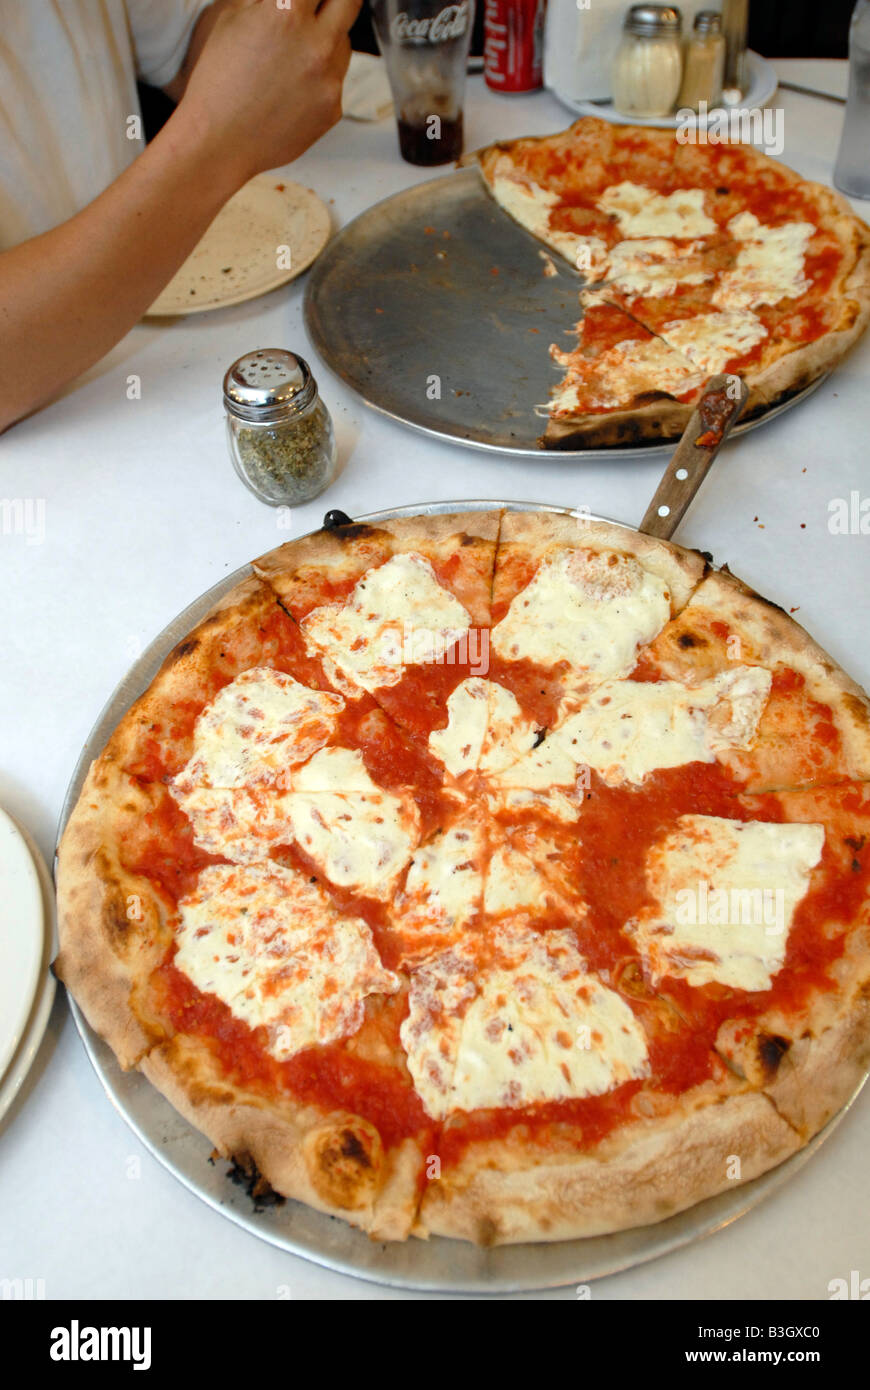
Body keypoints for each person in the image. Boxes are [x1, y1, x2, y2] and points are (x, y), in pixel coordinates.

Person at [0, 0, 361, 433]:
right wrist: (214, 142)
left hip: (153, 347)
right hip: (43, 448)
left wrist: (287, 36)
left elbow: (195, 45)